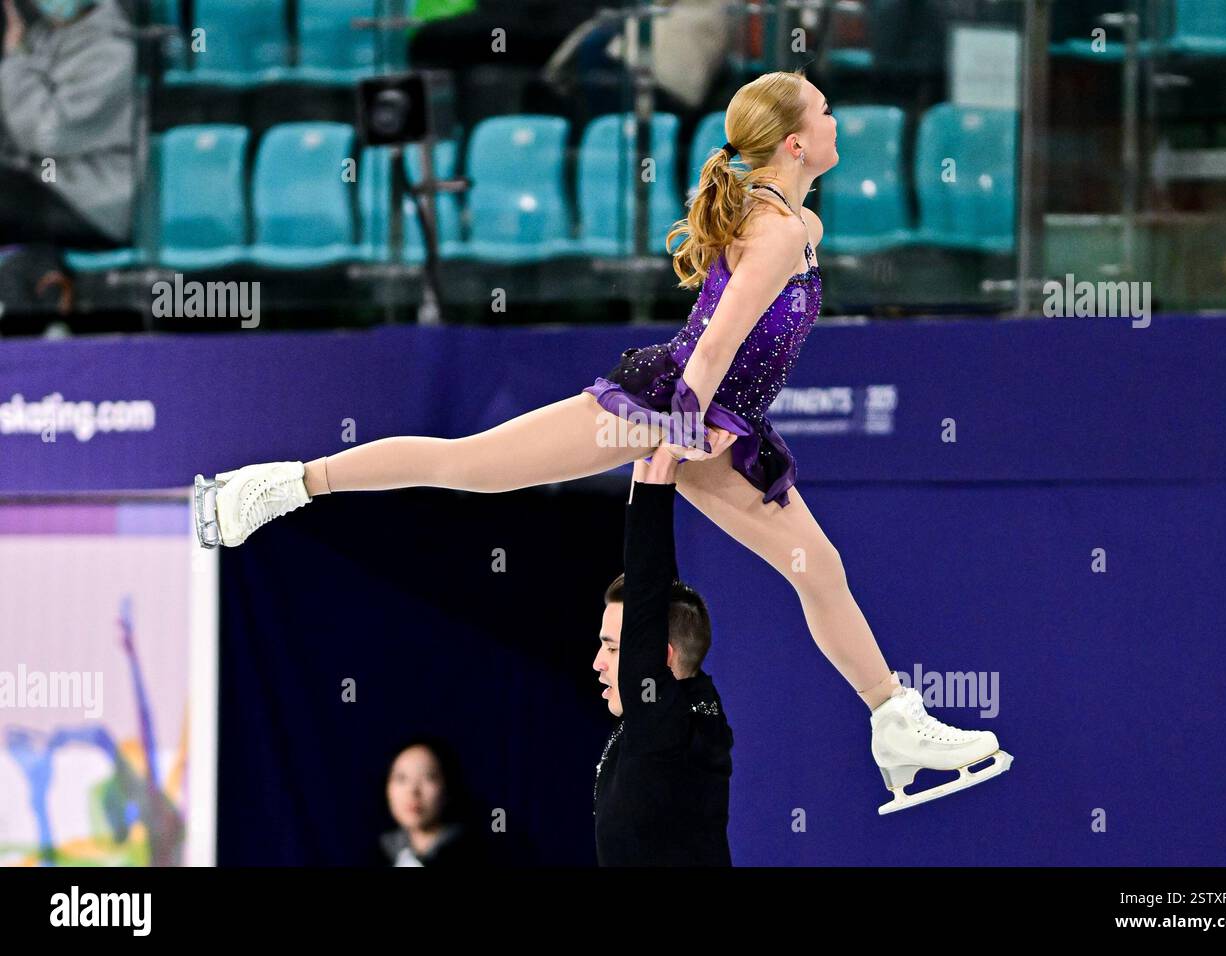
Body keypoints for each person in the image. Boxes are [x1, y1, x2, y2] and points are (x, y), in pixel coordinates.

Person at [195, 68, 1012, 813]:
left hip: (719, 428)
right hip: (675, 407)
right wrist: (674, 437)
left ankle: (893, 722)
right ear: (796, 140)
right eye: (827, 111)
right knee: (470, 465)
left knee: (819, 567)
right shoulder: (778, 233)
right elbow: (717, 345)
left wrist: (696, 436)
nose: (839, 120)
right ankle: (276, 486)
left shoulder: (799, 221)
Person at [592, 439, 736, 866]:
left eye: (614, 648)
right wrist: (648, 459)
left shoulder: (664, 725)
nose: (598, 664)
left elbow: (648, 572)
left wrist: (663, 462)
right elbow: (655, 587)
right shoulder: (683, 711)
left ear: (663, 657)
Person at [0, 0, 135, 248]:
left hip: (93, 201)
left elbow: (47, 134)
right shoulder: (46, 36)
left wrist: (15, 61)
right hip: (49, 180)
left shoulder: (113, 51)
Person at [378, 736, 479, 866]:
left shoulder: (476, 853)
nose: (413, 791)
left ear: (448, 786)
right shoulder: (377, 854)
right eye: (401, 778)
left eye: (429, 777)